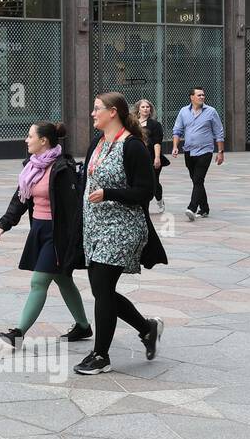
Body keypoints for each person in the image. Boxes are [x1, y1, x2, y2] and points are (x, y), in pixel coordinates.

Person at [75, 92, 168, 375]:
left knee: (102, 290)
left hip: (123, 228)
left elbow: (146, 190)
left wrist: (110, 194)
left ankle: (100, 355)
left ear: (112, 112)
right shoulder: (98, 142)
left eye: (97, 109)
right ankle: (147, 328)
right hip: (94, 227)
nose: (93, 113)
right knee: (101, 290)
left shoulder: (133, 146)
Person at [0, 121, 91, 349]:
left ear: (43, 141)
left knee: (39, 281)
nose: (26, 140)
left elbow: (73, 209)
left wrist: (73, 242)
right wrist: (4, 224)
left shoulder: (62, 169)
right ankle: (84, 326)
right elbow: (21, 198)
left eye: (30, 136)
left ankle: (18, 333)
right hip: (39, 230)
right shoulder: (32, 166)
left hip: (58, 235)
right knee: (63, 280)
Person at [171, 87, 225, 221]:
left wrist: (220, 152)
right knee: (196, 181)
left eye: (203, 95)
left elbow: (219, 132)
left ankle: (192, 207)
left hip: (205, 151)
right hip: (189, 151)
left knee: (198, 179)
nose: (202, 97)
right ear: (192, 97)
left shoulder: (211, 112)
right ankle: (205, 208)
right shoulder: (184, 111)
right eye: (199, 95)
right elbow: (177, 130)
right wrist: (175, 146)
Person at [135, 99, 166, 213]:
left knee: (154, 181)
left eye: (147, 107)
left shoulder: (155, 125)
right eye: (143, 107)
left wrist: (157, 158)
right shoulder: (133, 123)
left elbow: (157, 142)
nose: (145, 109)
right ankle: (142, 204)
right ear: (138, 109)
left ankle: (159, 200)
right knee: (139, 181)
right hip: (137, 157)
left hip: (152, 156)